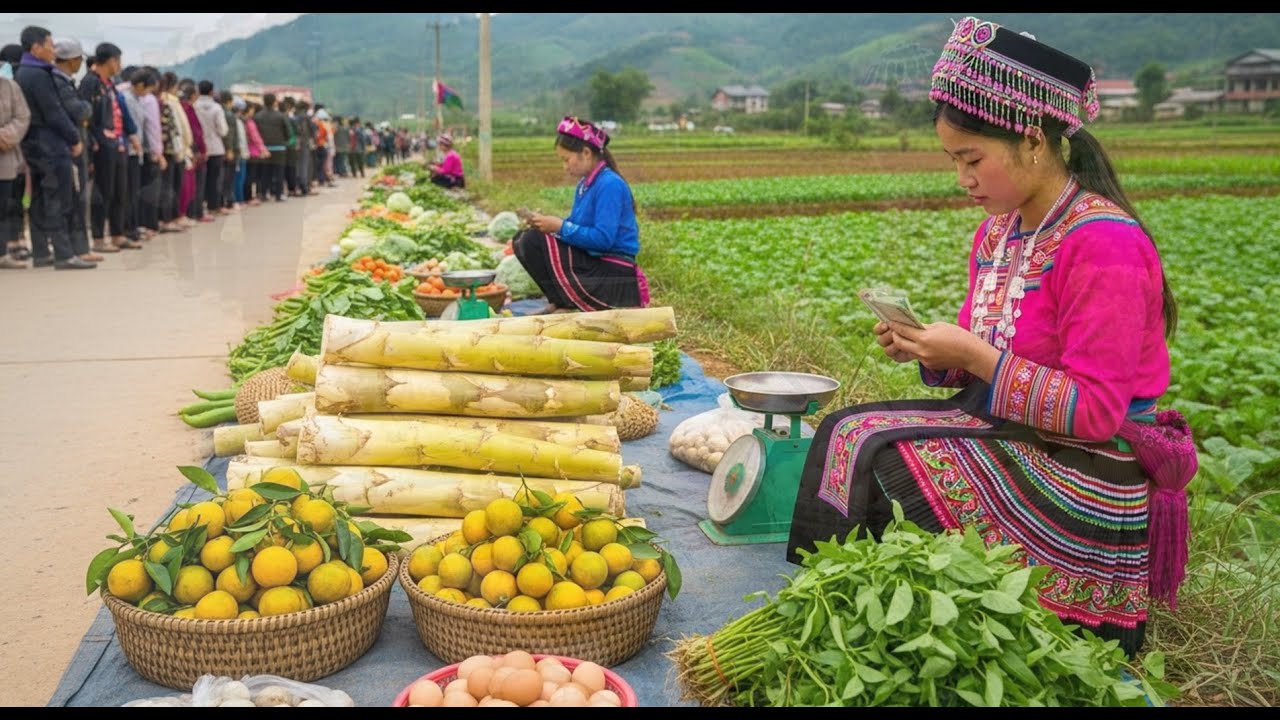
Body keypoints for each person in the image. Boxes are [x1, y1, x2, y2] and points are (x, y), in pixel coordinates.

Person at [786, 17, 1192, 658]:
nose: (962, 179)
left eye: (971, 159)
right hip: (1012, 426)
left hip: (1088, 462)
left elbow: (1095, 411)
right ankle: (848, 613)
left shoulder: (1103, 243)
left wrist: (974, 356)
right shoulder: (998, 232)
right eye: (954, 161)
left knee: (886, 462)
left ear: (1031, 140)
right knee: (847, 431)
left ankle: (913, 620)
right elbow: (984, 352)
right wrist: (931, 352)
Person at [515, 116, 648, 313]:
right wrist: (548, 226)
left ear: (586, 153)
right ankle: (561, 301)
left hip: (613, 273)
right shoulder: (584, 185)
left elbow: (603, 239)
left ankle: (568, 303)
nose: (565, 166)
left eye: (566, 159)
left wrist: (560, 226)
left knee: (533, 240)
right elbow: (576, 228)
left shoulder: (610, 185)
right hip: (595, 263)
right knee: (523, 239)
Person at [14, 27, 94, 269]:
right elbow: (53, 112)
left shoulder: (22, 72)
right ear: (36, 48)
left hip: (32, 143)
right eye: (50, 45)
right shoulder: (40, 75)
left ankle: (41, 251)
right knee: (59, 198)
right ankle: (64, 254)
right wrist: (74, 138)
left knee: (39, 198)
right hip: (50, 143)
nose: (53, 50)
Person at [81, 42, 140, 251]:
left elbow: (119, 112)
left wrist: (131, 135)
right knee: (103, 191)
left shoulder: (110, 84)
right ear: (111, 61)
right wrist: (93, 143)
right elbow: (86, 118)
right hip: (102, 144)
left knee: (119, 191)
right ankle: (98, 238)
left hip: (118, 143)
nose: (119, 66)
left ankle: (118, 234)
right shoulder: (90, 82)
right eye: (118, 61)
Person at [50, 39, 99, 261]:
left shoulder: (64, 81)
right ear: (72, 61)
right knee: (75, 199)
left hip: (74, 143)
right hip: (70, 145)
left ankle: (80, 248)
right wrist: (87, 108)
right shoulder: (60, 83)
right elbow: (79, 110)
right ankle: (77, 249)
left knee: (77, 198)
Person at [0, 43, 31, 269]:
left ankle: (2, 253)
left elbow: (22, 116)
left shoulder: (10, 87)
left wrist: (4, 136)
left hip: (5, 156)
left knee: (3, 206)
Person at [193, 80, 227, 216]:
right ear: (212, 91)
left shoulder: (194, 106)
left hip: (199, 148)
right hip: (216, 147)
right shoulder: (217, 108)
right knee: (214, 179)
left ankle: (200, 206)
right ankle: (214, 206)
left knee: (201, 180)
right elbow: (223, 130)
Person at [254, 93, 290, 202]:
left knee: (265, 173)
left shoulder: (257, 116)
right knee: (279, 173)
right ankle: (278, 195)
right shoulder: (281, 116)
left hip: (264, 148)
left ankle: (263, 194)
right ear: (275, 102)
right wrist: (284, 140)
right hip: (279, 148)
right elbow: (288, 132)